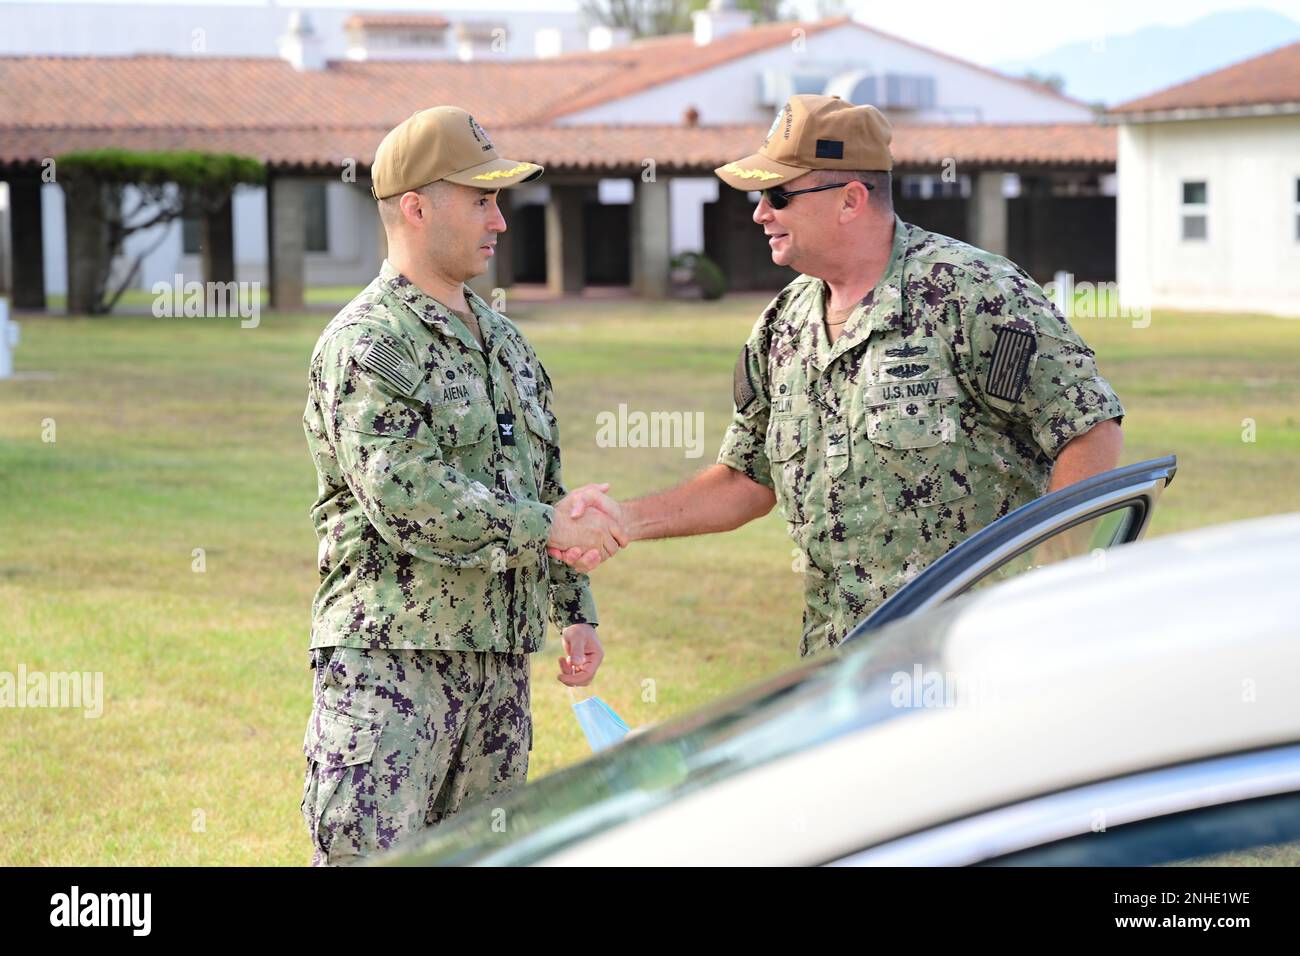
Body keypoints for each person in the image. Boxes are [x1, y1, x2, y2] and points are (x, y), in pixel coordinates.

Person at [552, 93, 1124, 658]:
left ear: (851, 200)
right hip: (839, 664)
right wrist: (626, 519)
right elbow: (746, 482)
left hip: (971, 652)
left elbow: (1088, 428)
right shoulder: (783, 324)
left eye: (778, 195)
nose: (760, 213)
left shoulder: (973, 294)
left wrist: (1054, 574)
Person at [300, 106, 624, 865]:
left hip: (499, 669)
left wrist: (575, 609)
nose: (501, 221)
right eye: (481, 199)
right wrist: (548, 526)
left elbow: (541, 481)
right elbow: (411, 500)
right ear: (416, 206)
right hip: (393, 668)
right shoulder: (368, 343)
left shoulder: (505, 341)